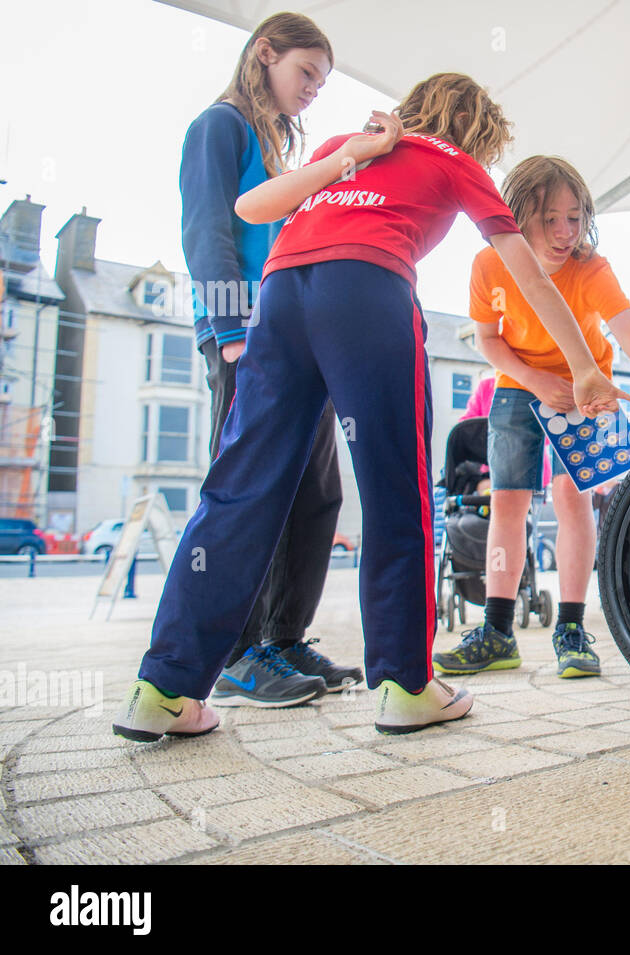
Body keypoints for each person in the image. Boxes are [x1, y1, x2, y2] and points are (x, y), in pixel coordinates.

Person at [113, 73, 630, 742]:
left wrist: (348, 157)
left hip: (281, 296)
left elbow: (251, 208)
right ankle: (405, 686)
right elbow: (526, 270)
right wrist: (586, 367)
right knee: (395, 490)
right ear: (474, 132)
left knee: (237, 487)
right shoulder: (453, 160)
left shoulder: (347, 144)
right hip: (367, 290)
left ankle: (163, 688)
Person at [434, 156, 630, 679]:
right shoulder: (489, 264)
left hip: (589, 389)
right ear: (518, 216)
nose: (564, 232)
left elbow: (629, 332)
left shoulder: (592, 268)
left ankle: (571, 629)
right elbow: (487, 339)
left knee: (573, 500)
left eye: (574, 217)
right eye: (550, 218)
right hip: (517, 387)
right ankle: (498, 630)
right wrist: (538, 382)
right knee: (506, 504)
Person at [180, 12, 357, 708]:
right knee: (250, 491)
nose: (313, 88)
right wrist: (228, 328)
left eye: (321, 79)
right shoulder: (219, 126)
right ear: (265, 54)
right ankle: (236, 652)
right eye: (305, 72)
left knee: (316, 493)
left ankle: (284, 639)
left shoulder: (274, 143)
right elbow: (206, 227)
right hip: (242, 335)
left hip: (291, 337)